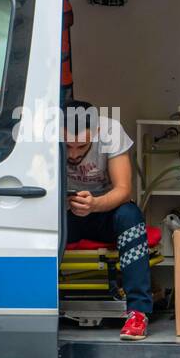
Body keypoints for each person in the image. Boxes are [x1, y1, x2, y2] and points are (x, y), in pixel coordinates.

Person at [62, 100, 152, 340]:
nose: (73, 153)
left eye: (81, 146)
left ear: (97, 131)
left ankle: (138, 312)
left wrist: (94, 205)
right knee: (36, 222)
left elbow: (124, 190)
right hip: (64, 215)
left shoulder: (110, 131)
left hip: (103, 210)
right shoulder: (43, 136)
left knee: (131, 216)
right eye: (67, 146)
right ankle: (36, 307)